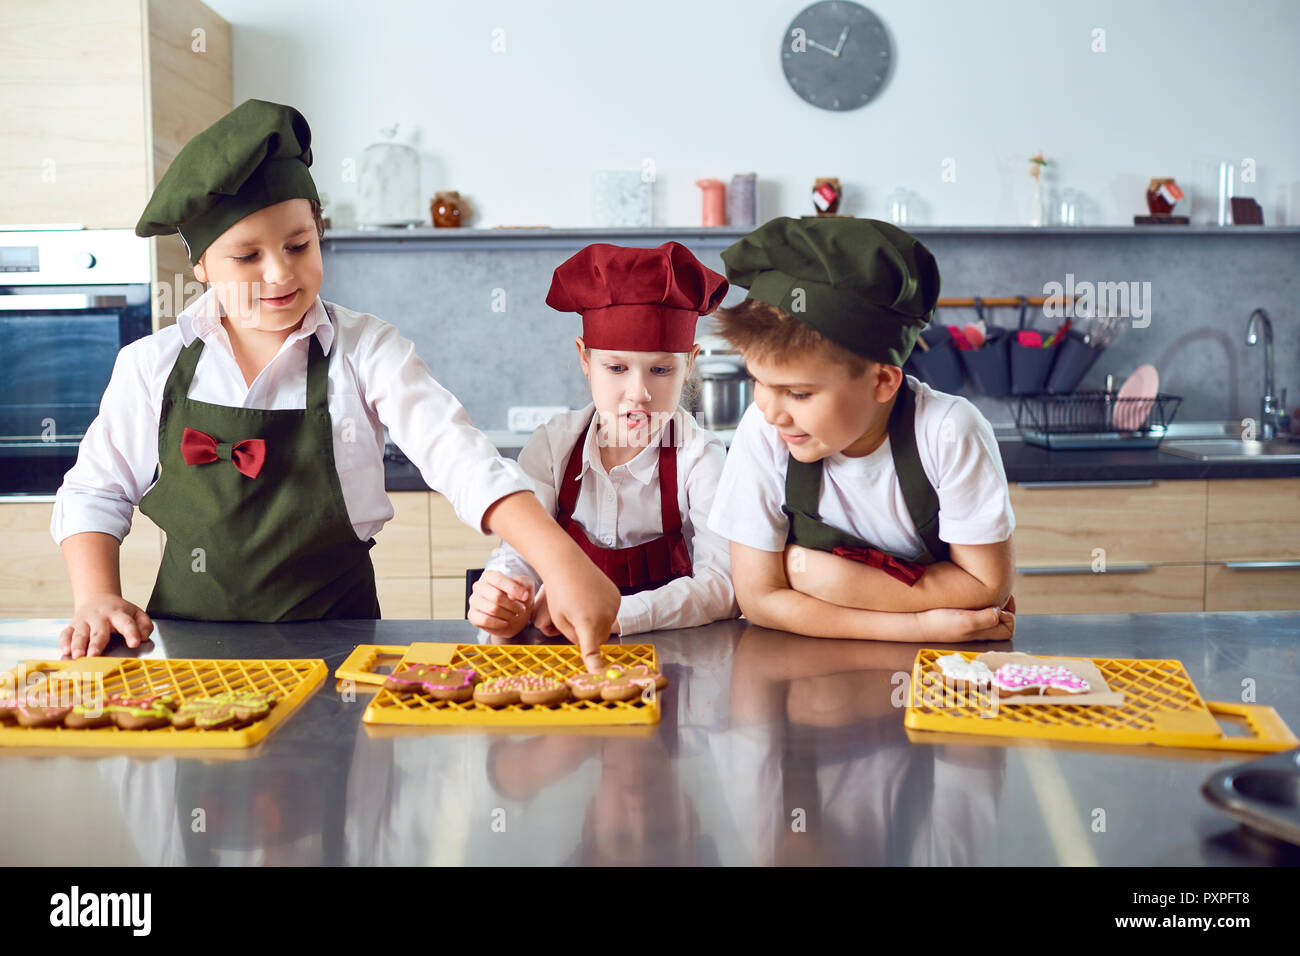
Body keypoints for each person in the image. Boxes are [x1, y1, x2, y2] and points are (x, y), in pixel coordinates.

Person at [50, 99, 618, 662]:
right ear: (200, 267)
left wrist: (560, 562)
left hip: (341, 648)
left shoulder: (367, 350)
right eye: (247, 257)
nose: (280, 272)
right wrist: (96, 595)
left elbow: (460, 456)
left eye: (298, 245)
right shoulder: (152, 366)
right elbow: (96, 490)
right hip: (189, 655)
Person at [707, 216, 1016, 643]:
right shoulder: (762, 431)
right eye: (757, 380)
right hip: (804, 669)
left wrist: (824, 578)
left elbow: (985, 588)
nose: (772, 412)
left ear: (883, 382)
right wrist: (917, 624)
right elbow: (758, 599)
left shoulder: (947, 432)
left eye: (798, 393)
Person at [470, 242, 739, 639]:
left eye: (660, 370)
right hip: (566, 658)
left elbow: (723, 587)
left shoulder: (700, 458)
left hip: (675, 660)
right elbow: (520, 554)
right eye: (616, 368)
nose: (639, 393)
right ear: (585, 359)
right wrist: (508, 593)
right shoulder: (553, 447)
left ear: (689, 365)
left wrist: (611, 615)